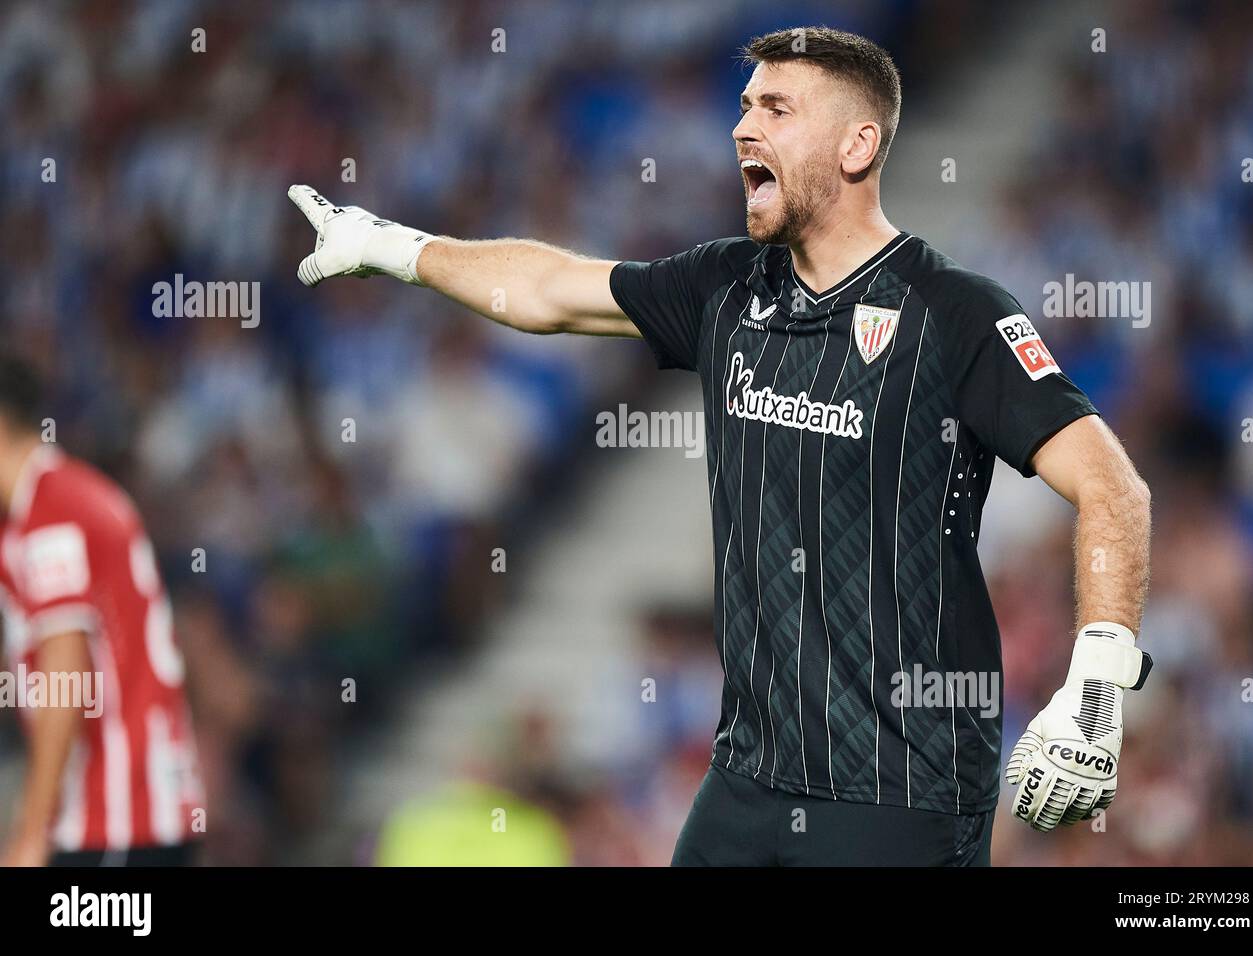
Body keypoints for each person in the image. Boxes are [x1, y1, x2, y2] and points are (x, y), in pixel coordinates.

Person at [287, 26, 1152, 866]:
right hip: (747, 781)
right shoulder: (727, 289)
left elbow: (1114, 486)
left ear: (857, 145)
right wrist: (391, 247)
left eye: (776, 108)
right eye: (744, 106)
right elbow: (549, 290)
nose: (742, 126)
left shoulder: (955, 315)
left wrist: (1098, 683)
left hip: (902, 792)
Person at [0, 354, 203, 866]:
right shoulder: (67, 497)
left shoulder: (52, 514)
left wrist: (29, 833)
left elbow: (64, 676)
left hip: (114, 818)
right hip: (145, 809)